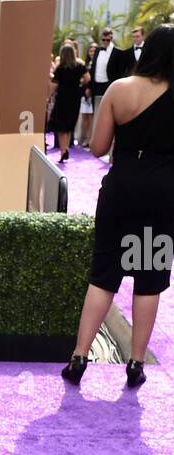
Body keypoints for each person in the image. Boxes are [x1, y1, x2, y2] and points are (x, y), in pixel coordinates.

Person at [61, 24, 174, 390]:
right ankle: (136, 363)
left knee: (104, 274)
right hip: (163, 192)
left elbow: (96, 147)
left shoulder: (119, 89)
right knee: (149, 279)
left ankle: (79, 356)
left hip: (121, 188)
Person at [48, 42, 86, 163]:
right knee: (69, 125)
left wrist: (48, 97)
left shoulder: (60, 68)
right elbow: (88, 78)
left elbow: (54, 85)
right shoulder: (79, 66)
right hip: (75, 97)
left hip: (62, 97)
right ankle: (66, 148)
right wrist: (80, 85)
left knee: (60, 125)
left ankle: (63, 150)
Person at [77, 43, 97, 147]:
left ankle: (91, 139)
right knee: (85, 116)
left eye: (94, 51)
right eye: (90, 51)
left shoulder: (97, 63)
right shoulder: (86, 63)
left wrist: (90, 89)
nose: (92, 53)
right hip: (84, 93)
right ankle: (86, 137)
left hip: (93, 92)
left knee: (91, 117)